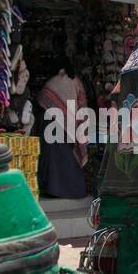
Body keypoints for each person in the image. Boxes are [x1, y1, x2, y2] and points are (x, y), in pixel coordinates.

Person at [36, 59, 89, 199]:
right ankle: (76, 190)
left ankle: (56, 190)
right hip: (72, 127)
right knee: (71, 160)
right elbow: (82, 106)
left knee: (55, 161)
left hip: (52, 125)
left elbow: (42, 100)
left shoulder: (52, 82)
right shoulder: (76, 82)